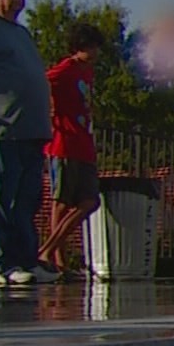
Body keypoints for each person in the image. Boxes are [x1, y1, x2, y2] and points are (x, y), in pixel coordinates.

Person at [0, 0, 57, 286]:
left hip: (32, 129)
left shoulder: (22, 34)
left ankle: (26, 259)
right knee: (1, 197)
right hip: (0, 130)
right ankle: (3, 264)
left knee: (28, 199)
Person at [36, 22, 106, 277]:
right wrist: (50, 113)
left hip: (83, 144)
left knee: (89, 201)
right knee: (62, 202)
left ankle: (49, 250)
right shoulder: (64, 71)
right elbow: (41, 83)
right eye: (92, 47)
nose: (96, 52)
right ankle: (56, 260)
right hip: (63, 144)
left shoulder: (86, 73)